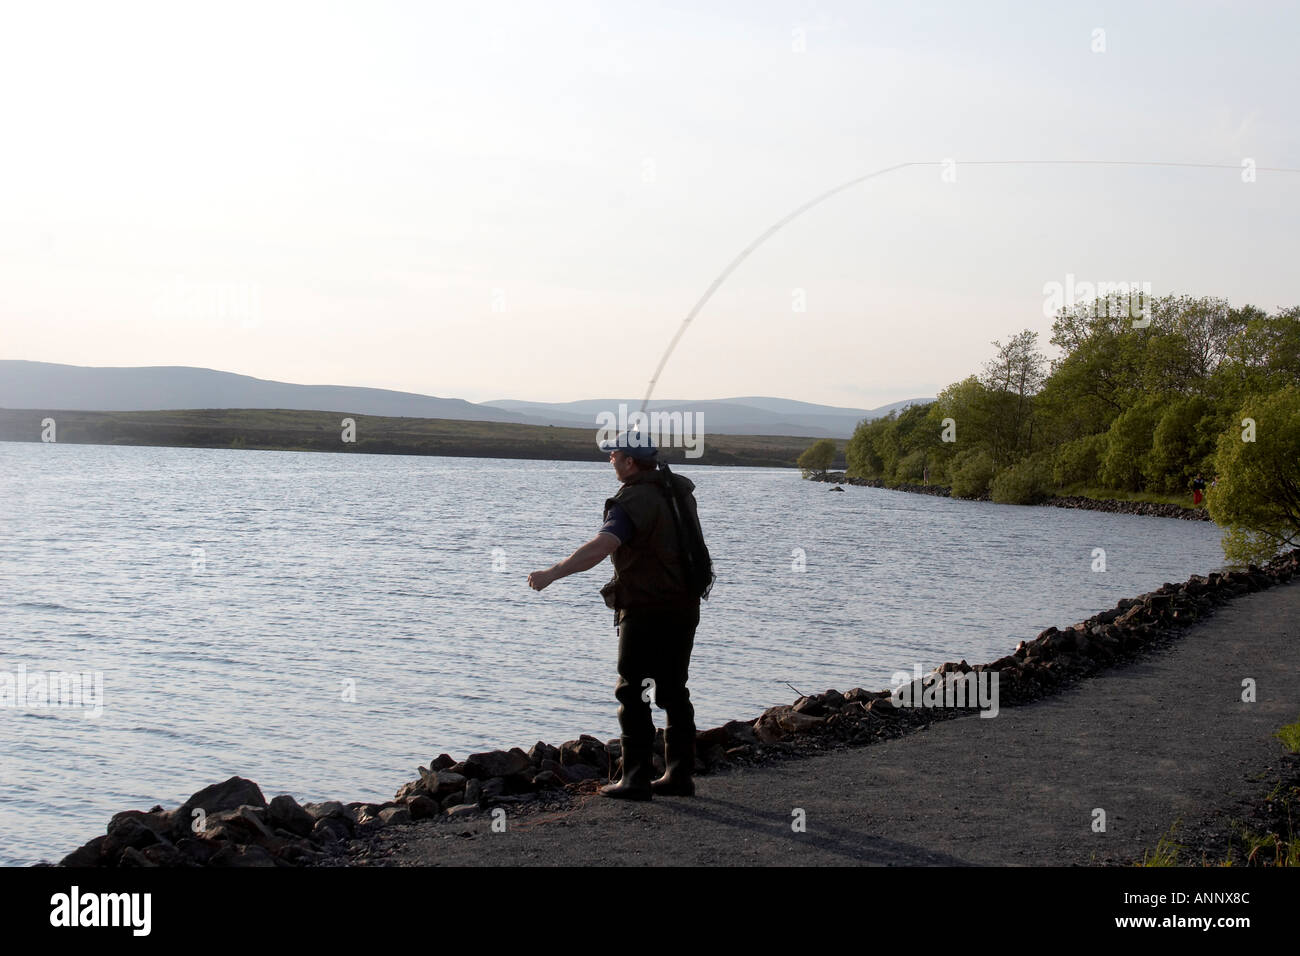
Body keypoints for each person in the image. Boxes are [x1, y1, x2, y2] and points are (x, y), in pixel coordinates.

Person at [527, 431, 701, 800]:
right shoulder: (676, 491)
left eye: (615, 455)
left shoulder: (632, 500)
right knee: (673, 690)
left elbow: (601, 548)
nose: (610, 460)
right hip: (685, 604)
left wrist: (551, 574)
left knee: (631, 689)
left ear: (630, 462)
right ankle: (679, 776)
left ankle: (635, 779)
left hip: (645, 608)